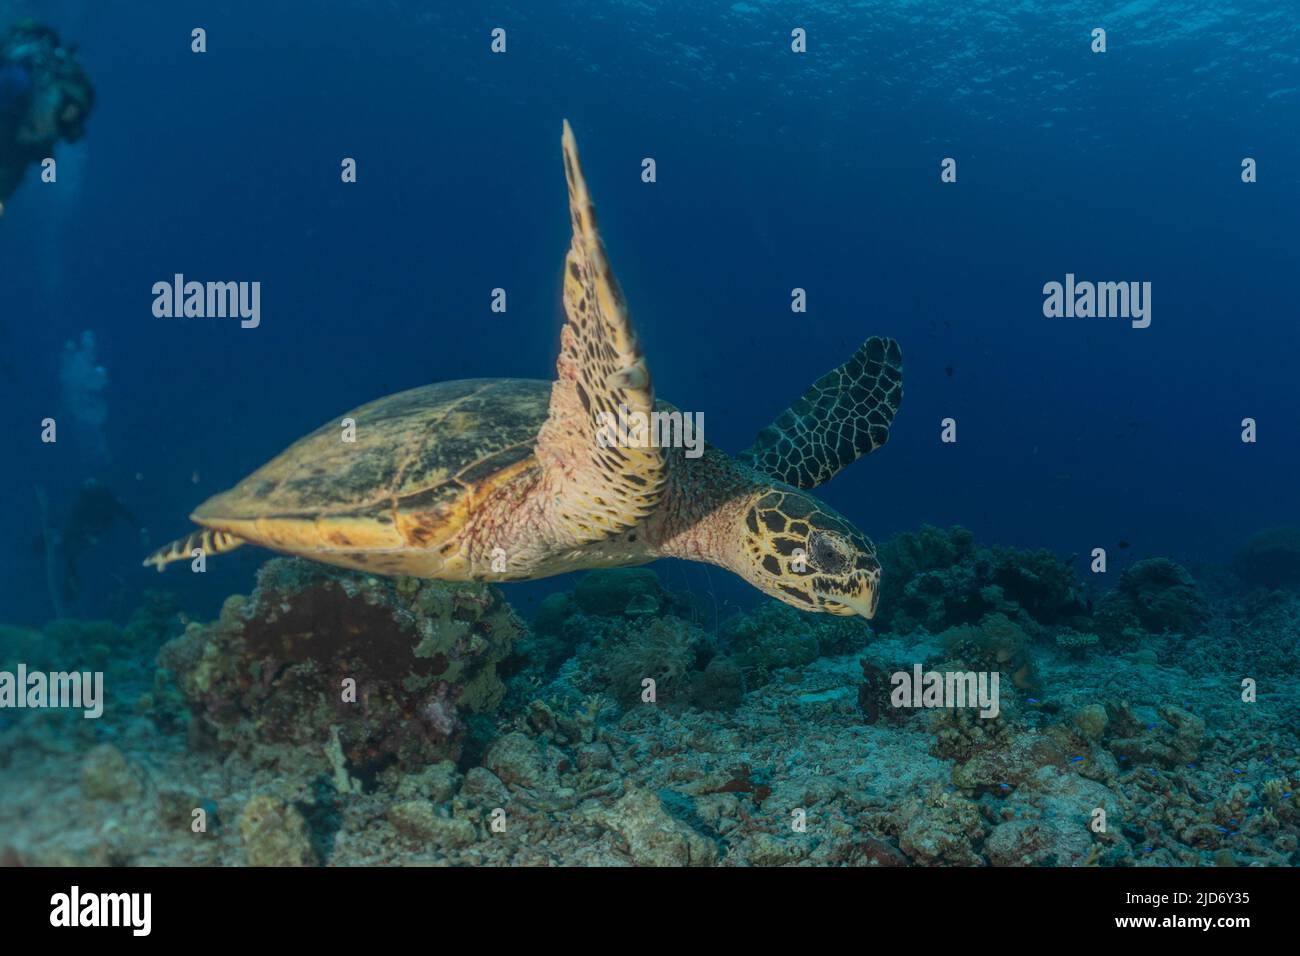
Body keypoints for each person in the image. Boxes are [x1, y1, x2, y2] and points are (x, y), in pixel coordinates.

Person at [0, 19, 93, 216]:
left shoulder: (41, 148)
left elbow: (39, 175)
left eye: (64, 128)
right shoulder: (14, 82)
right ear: (50, 89)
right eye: (62, 108)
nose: (53, 127)